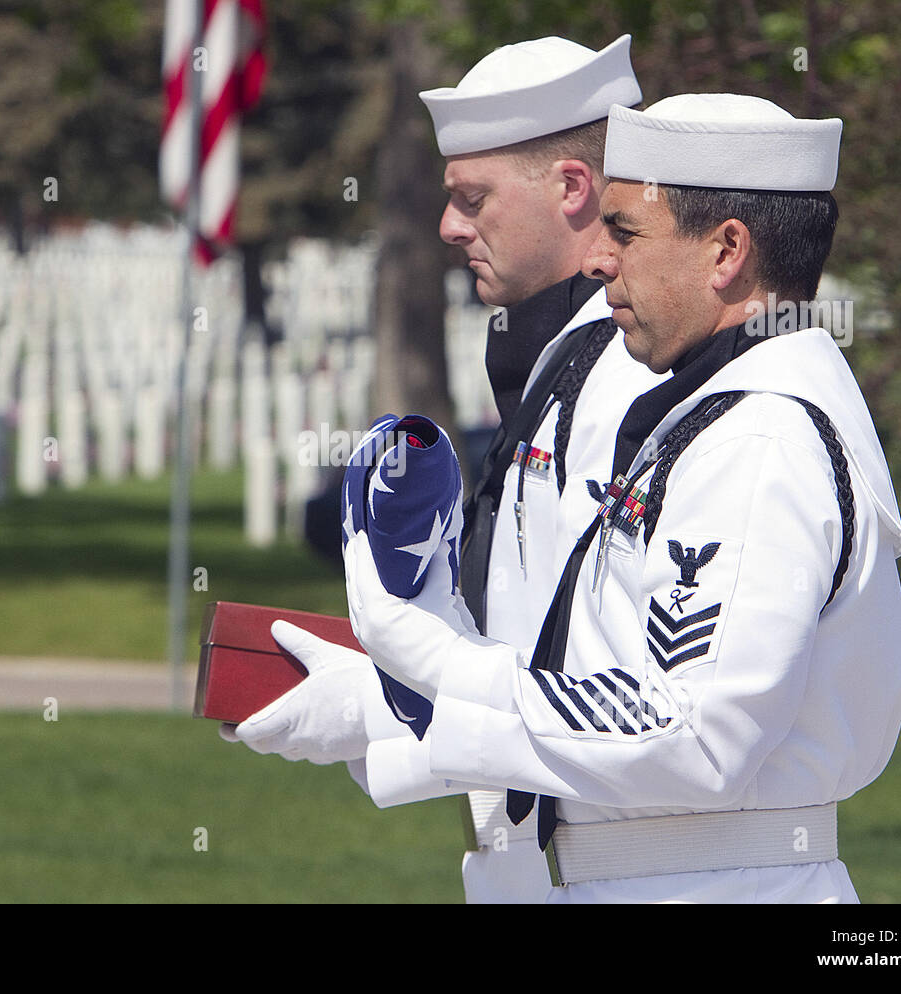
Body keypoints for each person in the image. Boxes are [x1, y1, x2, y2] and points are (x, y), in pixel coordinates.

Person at [342, 93, 901, 902]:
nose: (599, 260)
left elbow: (693, 733)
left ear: (726, 252)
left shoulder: (759, 442)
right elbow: (608, 673)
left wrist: (446, 668)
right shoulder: (717, 418)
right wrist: (389, 712)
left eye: (626, 231)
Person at [222, 35, 665, 903]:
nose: (449, 226)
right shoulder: (566, 357)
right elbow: (535, 651)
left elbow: (620, 685)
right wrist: (388, 703)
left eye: (473, 198)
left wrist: (393, 705)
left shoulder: (626, 378)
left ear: (572, 188)